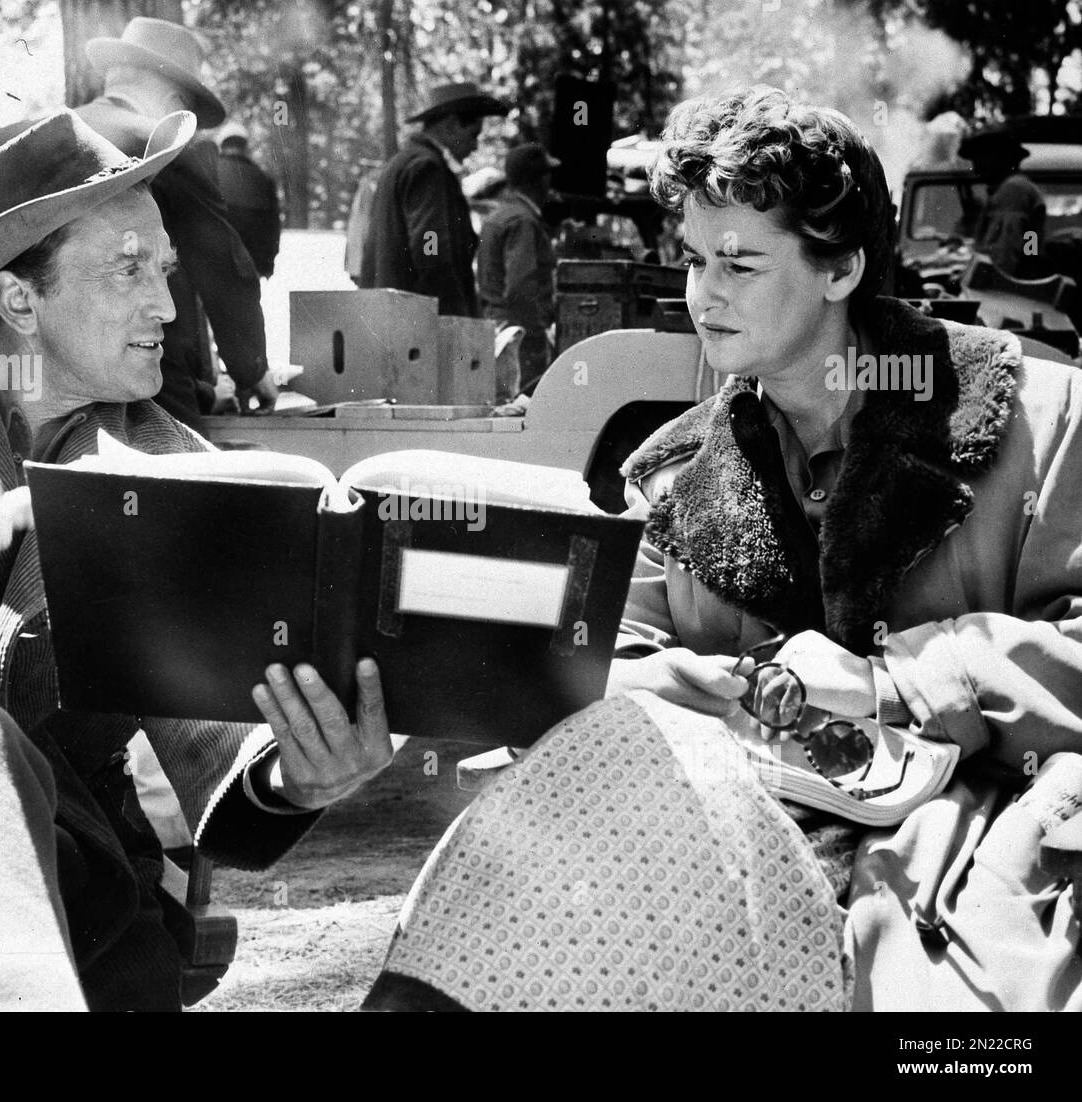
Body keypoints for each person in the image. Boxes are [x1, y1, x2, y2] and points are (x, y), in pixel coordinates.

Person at [364, 87, 1082, 1012]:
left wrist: (895, 683)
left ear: (843, 267)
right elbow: (616, 644)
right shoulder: (670, 479)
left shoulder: (1039, 417)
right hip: (740, 873)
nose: (702, 295)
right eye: (694, 260)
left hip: (973, 886)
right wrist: (637, 685)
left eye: (739, 264)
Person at [0, 108, 394, 1011]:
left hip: (64, 901)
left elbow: (215, 734)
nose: (169, 306)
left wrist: (298, 773)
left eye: (168, 270)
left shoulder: (175, 473)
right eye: (128, 269)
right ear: (18, 300)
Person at [0, 16, 278, 426]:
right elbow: (224, 269)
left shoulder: (22, 138)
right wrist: (251, 371)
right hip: (142, 395)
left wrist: (16, 334)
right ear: (174, 102)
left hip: (24, 394)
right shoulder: (167, 148)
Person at [359, 81, 508, 316]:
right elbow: (430, 248)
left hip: (388, 315)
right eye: (473, 134)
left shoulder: (402, 162)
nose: (475, 146)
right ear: (450, 125)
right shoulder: (427, 167)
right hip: (417, 323)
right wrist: (456, 319)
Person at [477, 143, 559, 398]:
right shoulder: (523, 221)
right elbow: (520, 287)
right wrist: (537, 335)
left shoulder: (498, 217)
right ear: (541, 179)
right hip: (520, 337)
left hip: (498, 329)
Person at [959, 124, 1046, 279]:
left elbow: (1005, 251)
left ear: (999, 158)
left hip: (1006, 287)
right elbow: (1026, 245)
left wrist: (986, 281)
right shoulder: (1017, 187)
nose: (976, 168)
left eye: (980, 158)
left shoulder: (1013, 189)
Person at [210, 121, 281, 278]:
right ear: (245, 147)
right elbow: (273, 226)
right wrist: (267, 264)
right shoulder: (263, 178)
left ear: (221, 145)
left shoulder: (208, 174)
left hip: (214, 263)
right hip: (251, 264)